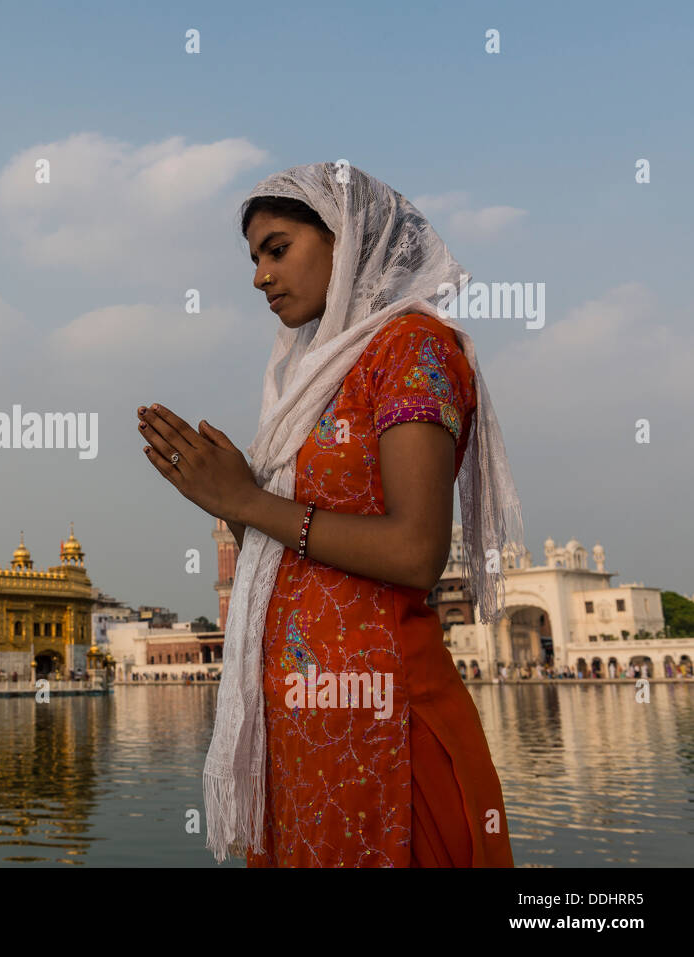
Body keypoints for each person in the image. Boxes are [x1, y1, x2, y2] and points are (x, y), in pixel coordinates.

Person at [138, 162, 522, 868]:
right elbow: (291, 551)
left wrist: (248, 501)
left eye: (277, 249)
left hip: (387, 727)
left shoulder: (410, 348)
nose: (259, 276)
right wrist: (227, 504)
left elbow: (414, 549)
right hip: (305, 739)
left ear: (348, 242)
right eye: (254, 257)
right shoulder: (312, 378)